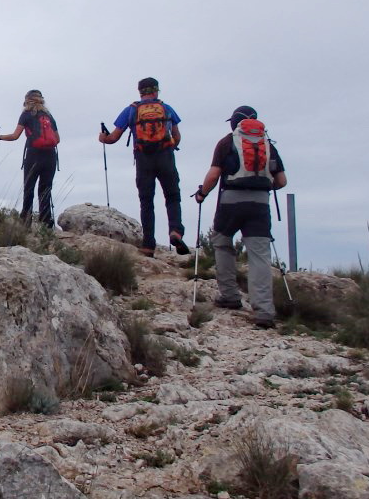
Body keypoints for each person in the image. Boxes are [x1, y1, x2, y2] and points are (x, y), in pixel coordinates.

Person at [193, 105, 288, 328]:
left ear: (234, 122)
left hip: (230, 202)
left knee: (222, 242)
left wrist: (201, 194)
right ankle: (264, 311)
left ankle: (230, 296)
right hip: (260, 203)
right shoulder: (268, 145)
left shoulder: (226, 143)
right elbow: (282, 181)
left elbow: (214, 174)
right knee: (259, 256)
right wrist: (261, 186)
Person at [98, 77, 187, 257]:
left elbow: (114, 137)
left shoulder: (131, 110)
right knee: (172, 196)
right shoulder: (166, 108)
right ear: (156, 90)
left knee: (146, 201)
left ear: (140, 91)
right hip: (166, 157)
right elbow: (177, 136)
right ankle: (175, 231)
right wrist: (169, 144)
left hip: (143, 159)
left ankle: (148, 245)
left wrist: (103, 138)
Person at [0, 89, 59, 227]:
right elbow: (57, 139)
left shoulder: (26, 115)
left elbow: (15, 136)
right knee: (45, 189)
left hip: (33, 155)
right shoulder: (49, 116)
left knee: (29, 188)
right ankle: (46, 222)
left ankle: (26, 221)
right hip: (50, 157)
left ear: (27, 100)